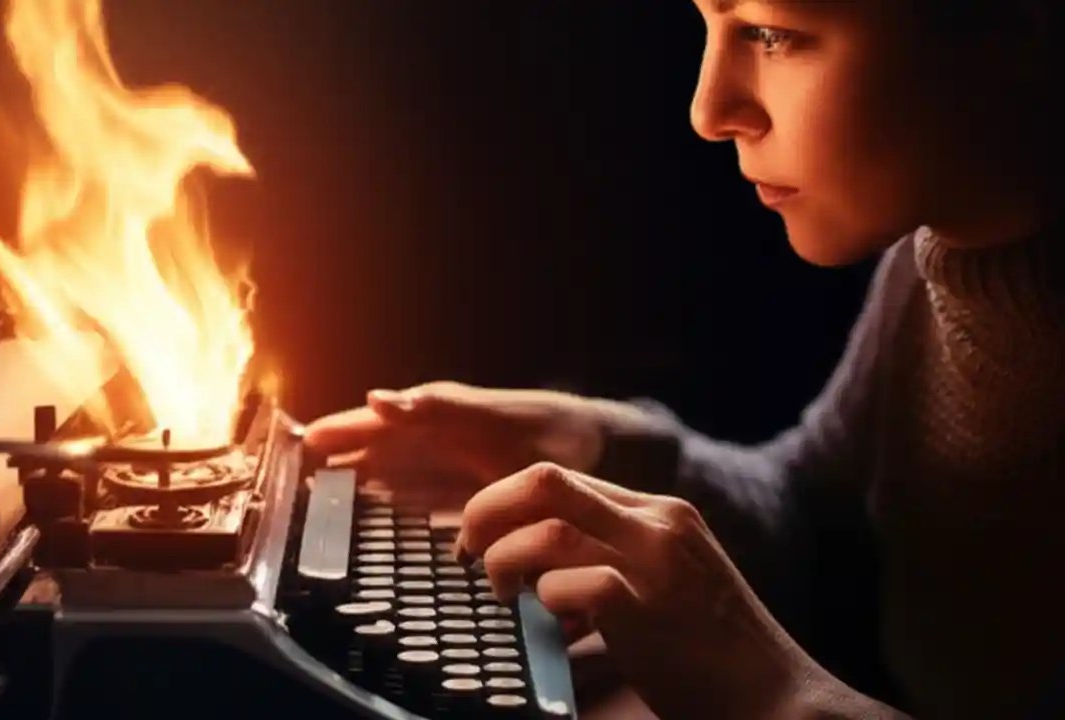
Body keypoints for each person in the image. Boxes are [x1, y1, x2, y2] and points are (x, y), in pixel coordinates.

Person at [305, 0, 1064, 718]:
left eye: (772, 33)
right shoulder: (931, 262)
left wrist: (776, 698)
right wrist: (599, 450)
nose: (709, 111)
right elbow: (819, 519)